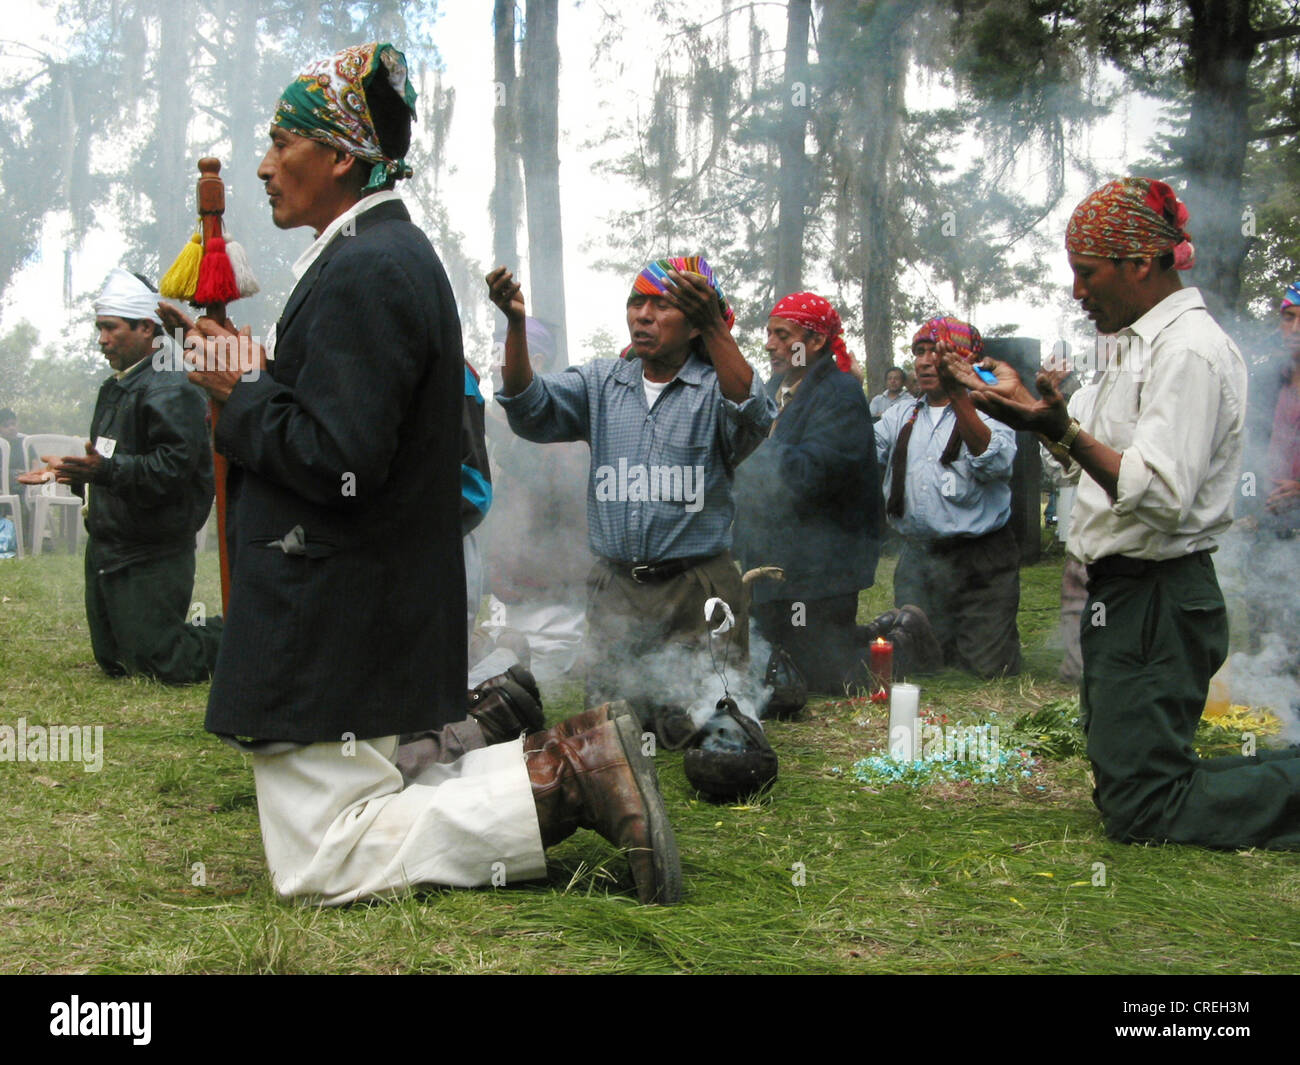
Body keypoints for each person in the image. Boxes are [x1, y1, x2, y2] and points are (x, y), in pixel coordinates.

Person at [166, 42, 680, 905]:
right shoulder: (376, 256)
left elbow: (339, 461)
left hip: (333, 617)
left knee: (323, 858)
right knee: (353, 815)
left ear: (339, 155)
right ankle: (569, 759)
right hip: (352, 611)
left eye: (282, 139)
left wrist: (242, 387)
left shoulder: (369, 266)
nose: (262, 163)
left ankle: (569, 775)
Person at [952, 176, 1300, 850]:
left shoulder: (1188, 351)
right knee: (1135, 784)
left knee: (1144, 808)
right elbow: (1097, 463)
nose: (1078, 291)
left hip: (1158, 596)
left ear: (1140, 262)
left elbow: (1162, 494)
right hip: (1131, 595)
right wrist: (1037, 416)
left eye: (1087, 272)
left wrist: (1064, 429)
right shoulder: (1141, 346)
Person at [488, 256, 776, 741]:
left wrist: (715, 326)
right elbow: (528, 408)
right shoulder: (602, 384)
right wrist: (516, 324)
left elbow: (754, 416)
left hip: (696, 592)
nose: (643, 315)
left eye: (661, 305)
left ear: (696, 325)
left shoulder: (715, 389)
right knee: (609, 733)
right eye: (636, 302)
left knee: (715, 736)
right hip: (616, 594)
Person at [20, 270, 221, 683]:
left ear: (146, 328)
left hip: (150, 547)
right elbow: (111, 465)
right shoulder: (115, 389)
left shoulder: (173, 387)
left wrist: (104, 471)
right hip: (111, 546)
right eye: (100, 328)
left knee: (160, 663)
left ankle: (245, 633)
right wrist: (75, 475)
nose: (101, 340)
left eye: (110, 328)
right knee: (114, 660)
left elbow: (174, 472)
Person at [733, 292, 882, 692]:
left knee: (819, 679)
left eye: (783, 335)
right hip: (771, 565)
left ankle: (896, 641)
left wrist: (752, 445)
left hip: (821, 573)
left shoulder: (840, 395)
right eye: (769, 334)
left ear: (815, 342)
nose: (769, 345)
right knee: (772, 674)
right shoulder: (769, 392)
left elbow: (815, 474)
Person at [874, 316, 1020, 677]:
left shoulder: (991, 406)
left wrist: (960, 397)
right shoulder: (900, 414)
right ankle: (952, 636)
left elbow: (994, 463)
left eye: (935, 353)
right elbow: (860, 451)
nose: (923, 362)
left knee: (987, 669)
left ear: (963, 360)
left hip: (980, 560)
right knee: (918, 661)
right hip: (920, 558)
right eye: (918, 352)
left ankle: (991, 637)